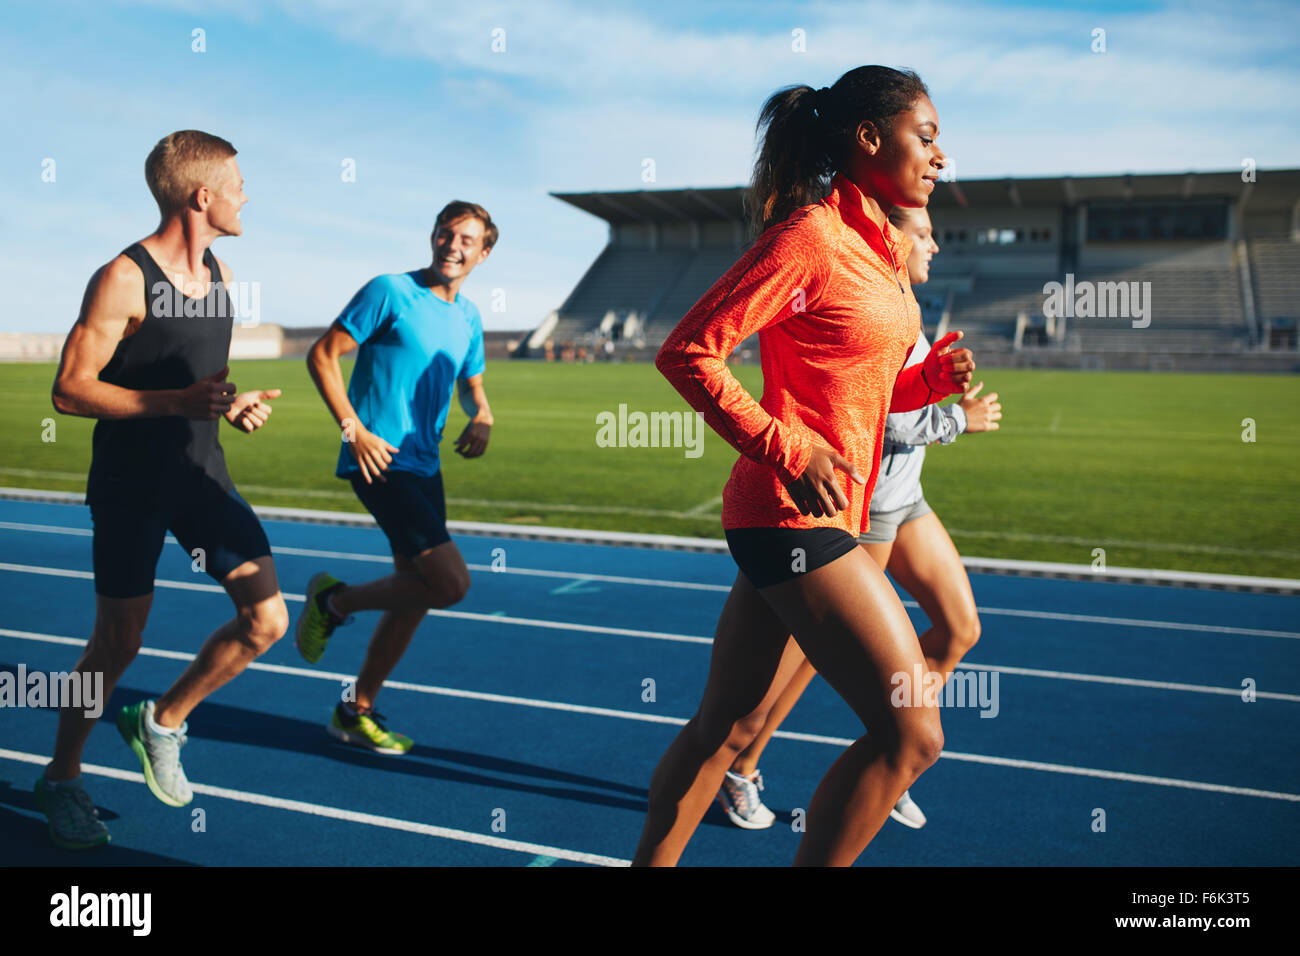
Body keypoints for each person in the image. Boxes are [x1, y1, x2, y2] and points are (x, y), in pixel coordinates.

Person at [635, 66, 974, 866]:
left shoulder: (878, 250)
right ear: (868, 139)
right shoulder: (812, 237)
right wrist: (788, 447)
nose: (939, 157)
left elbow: (857, 387)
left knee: (730, 728)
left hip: (813, 519)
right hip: (791, 518)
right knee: (912, 731)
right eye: (925, 137)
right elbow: (687, 352)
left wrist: (928, 382)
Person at [716, 204, 1003, 831]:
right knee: (807, 661)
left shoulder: (908, 311)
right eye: (924, 234)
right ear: (890, 236)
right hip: (862, 505)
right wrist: (959, 419)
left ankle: (892, 755)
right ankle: (744, 767)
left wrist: (935, 378)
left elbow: (902, 397)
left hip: (908, 499)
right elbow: (883, 419)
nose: (935, 246)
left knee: (958, 630)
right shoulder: (860, 292)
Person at [38, 130, 288, 849]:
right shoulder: (122, 277)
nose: (247, 195)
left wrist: (228, 403)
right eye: (238, 183)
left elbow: (199, 378)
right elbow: (69, 390)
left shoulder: (221, 273)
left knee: (265, 620)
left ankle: (161, 720)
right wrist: (175, 404)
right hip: (129, 484)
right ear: (200, 195)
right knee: (118, 641)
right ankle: (61, 777)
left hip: (201, 475)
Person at [297, 201, 496, 753]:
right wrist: (352, 430)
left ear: (484, 253)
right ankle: (332, 602)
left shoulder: (470, 316)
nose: (454, 246)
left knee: (416, 595)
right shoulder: (390, 291)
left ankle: (354, 711)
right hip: (378, 458)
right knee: (451, 583)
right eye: (447, 234)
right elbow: (322, 355)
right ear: (433, 237)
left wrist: (481, 413)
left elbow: (470, 381)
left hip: (426, 466)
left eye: (468, 240)